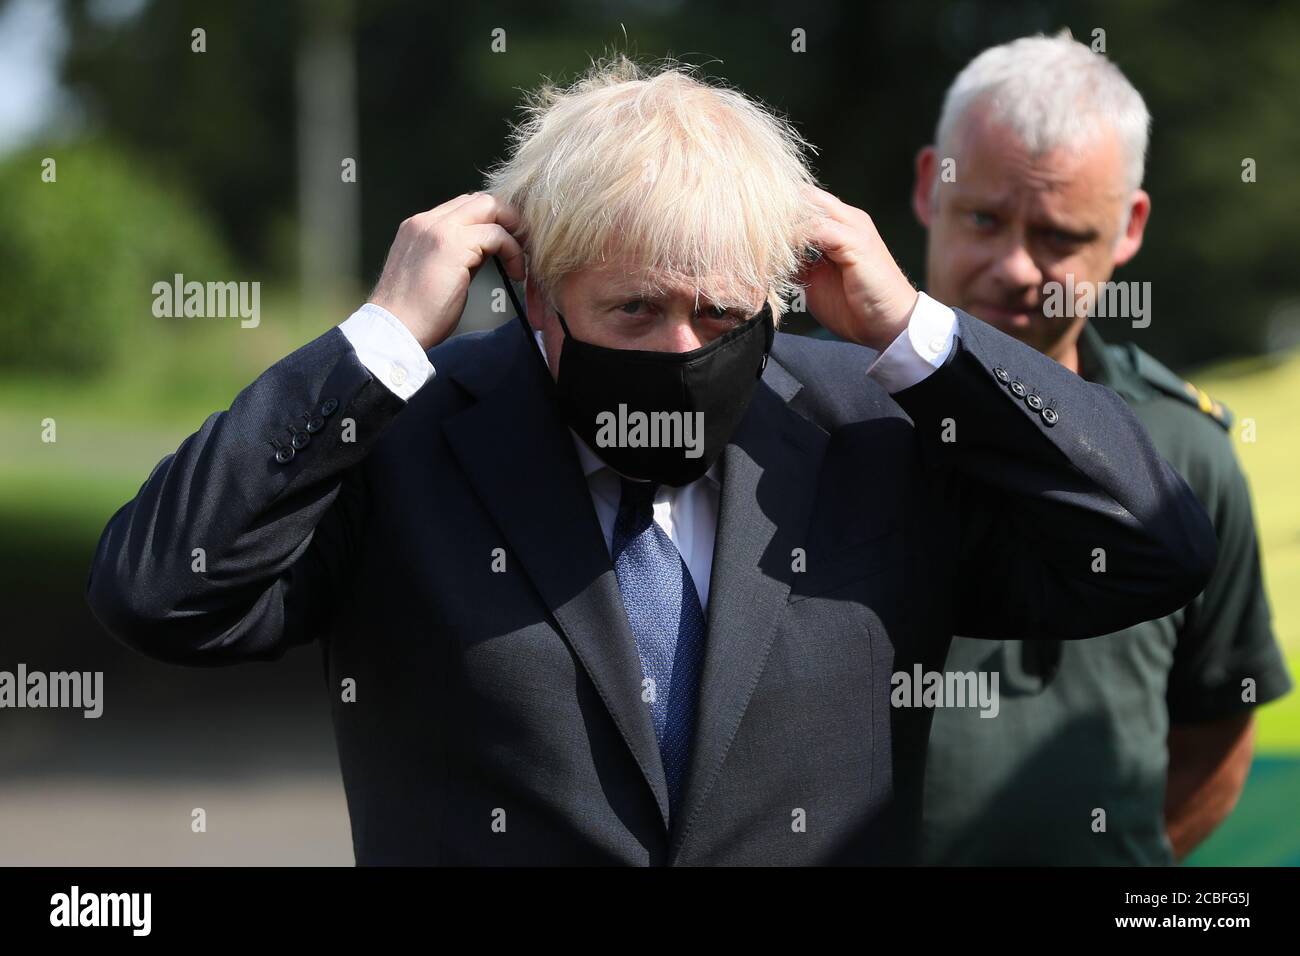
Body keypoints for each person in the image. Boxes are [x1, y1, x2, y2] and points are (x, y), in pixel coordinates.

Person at [87, 56, 1215, 865]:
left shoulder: (873, 435)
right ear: (536, 292)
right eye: (632, 309)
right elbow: (162, 592)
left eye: (720, 311)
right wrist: (377, 341)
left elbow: (1155, 545)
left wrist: (914, 330)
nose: (682, 350)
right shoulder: (406, 441)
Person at [913, 33, 1291, 865]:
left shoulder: (1185, 456)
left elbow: (1218, 731)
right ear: (928, 184)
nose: (1016, 266)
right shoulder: (815, 420)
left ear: (1129, 227)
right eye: (984, 218)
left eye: (1057, 235)